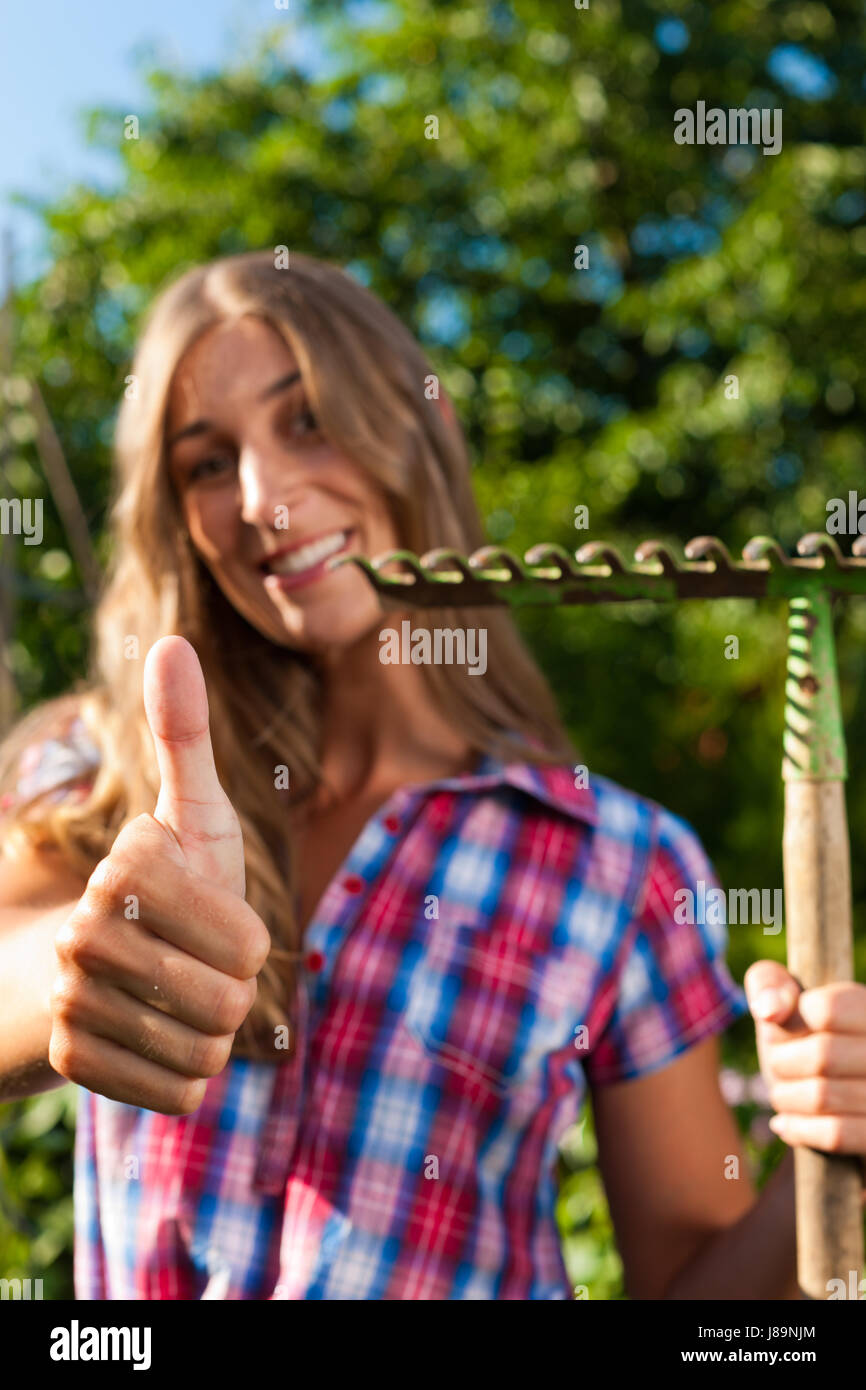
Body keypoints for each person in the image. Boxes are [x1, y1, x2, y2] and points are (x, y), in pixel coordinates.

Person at [0, 250, 863, 1301]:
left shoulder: (617, 861)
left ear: (425, 428)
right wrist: (76, 975)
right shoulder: (102, 764)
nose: (266, 498)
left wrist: (827, 1159)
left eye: (307, 417)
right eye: (207, 463)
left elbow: (692, 1296)